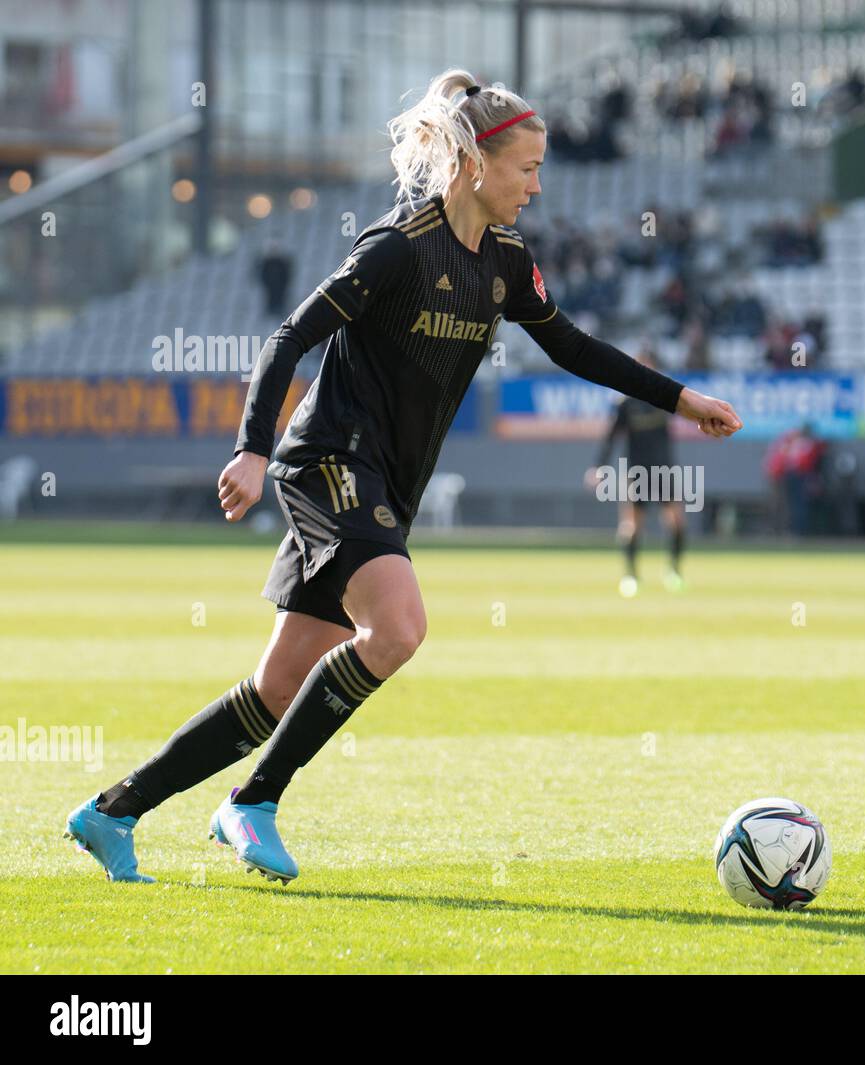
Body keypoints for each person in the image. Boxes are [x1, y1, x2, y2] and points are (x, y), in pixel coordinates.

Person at [64, 69, 742, 884]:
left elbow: (571, 347)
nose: (535, 186)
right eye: (526, 169)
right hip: (328, 464)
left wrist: (682, 397)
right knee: (399, 628)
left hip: (386, 482)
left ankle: (113, 811)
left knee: (277, 688)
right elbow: (288, 338)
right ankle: (254, 801)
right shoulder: (396, 246)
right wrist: (250, 446)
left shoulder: (506, 261)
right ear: (475, 163)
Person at [583, 351, 686, 596]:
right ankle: (630, 575)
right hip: (636, 470)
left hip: (664, 469)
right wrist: (598, 467)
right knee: (631, 525)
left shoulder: (665, 396)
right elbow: (611, 437)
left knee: (676, 522)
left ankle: (674, 571)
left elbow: (689, 408)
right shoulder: (625, 404)